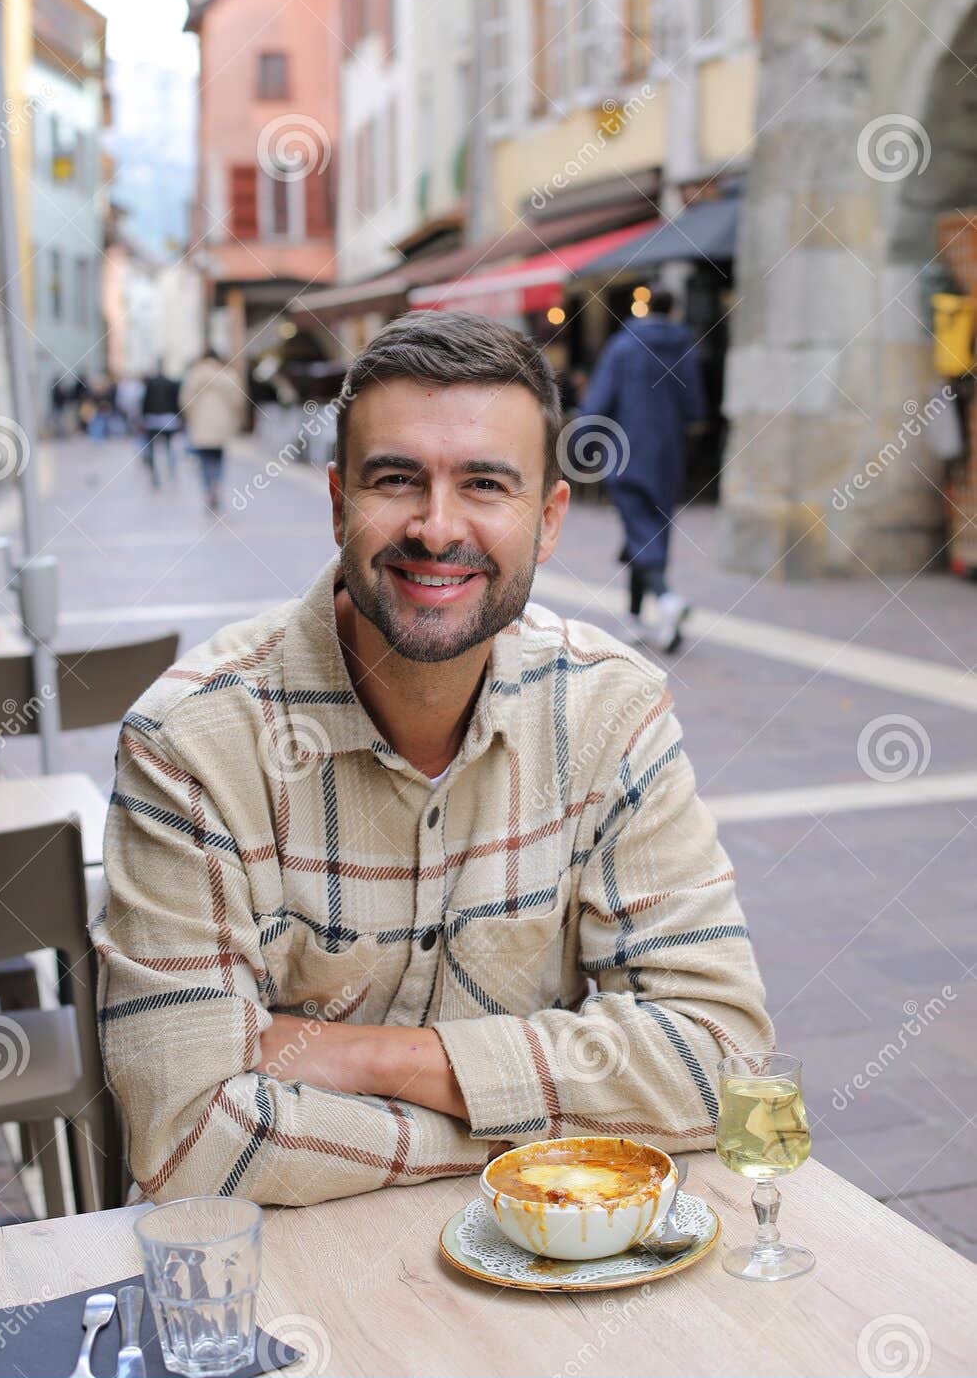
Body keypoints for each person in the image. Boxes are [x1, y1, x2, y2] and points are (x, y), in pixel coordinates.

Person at [94, 312, 770, 1208]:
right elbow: (188, 1142)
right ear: (337, 504)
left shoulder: (612, 710)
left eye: (484, 484)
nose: (437, 527)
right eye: (396, 480)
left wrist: (374, 1059)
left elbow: (723, 1056)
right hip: (281, 1276)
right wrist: (538, 1126)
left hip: (551, 1264)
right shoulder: (191, 745)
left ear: (548, 520)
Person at [580, 288, 705, 653]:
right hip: (667, 456)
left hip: (626, 454)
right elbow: (694, 407)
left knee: (639, 529)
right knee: (650, 531)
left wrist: (580, 441)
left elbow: (598, 402)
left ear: (646, 307)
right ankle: (635, 617)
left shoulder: (623, 346)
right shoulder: (683, 347)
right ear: (675, 311)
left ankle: (666, 600)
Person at [179, 348, 244, 510]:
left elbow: (185, 399)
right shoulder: (228, 375)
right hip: (223, 425)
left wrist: (191, 417)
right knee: (219, 457)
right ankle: (217, 484)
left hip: (201, 423)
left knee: (204, 459)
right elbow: (238, 400)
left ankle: (208, 488)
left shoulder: (195, 374)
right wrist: (235, 419)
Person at [139, 361, 182, 487]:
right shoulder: (171, 383)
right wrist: (178, 417)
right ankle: (171, 473)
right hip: (168, 418)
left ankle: (155, 476)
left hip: (152, 419)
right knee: (169, 447)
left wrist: (143, 417)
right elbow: (176, 402)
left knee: (152, 448)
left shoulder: (150, 383)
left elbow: (145, 402)